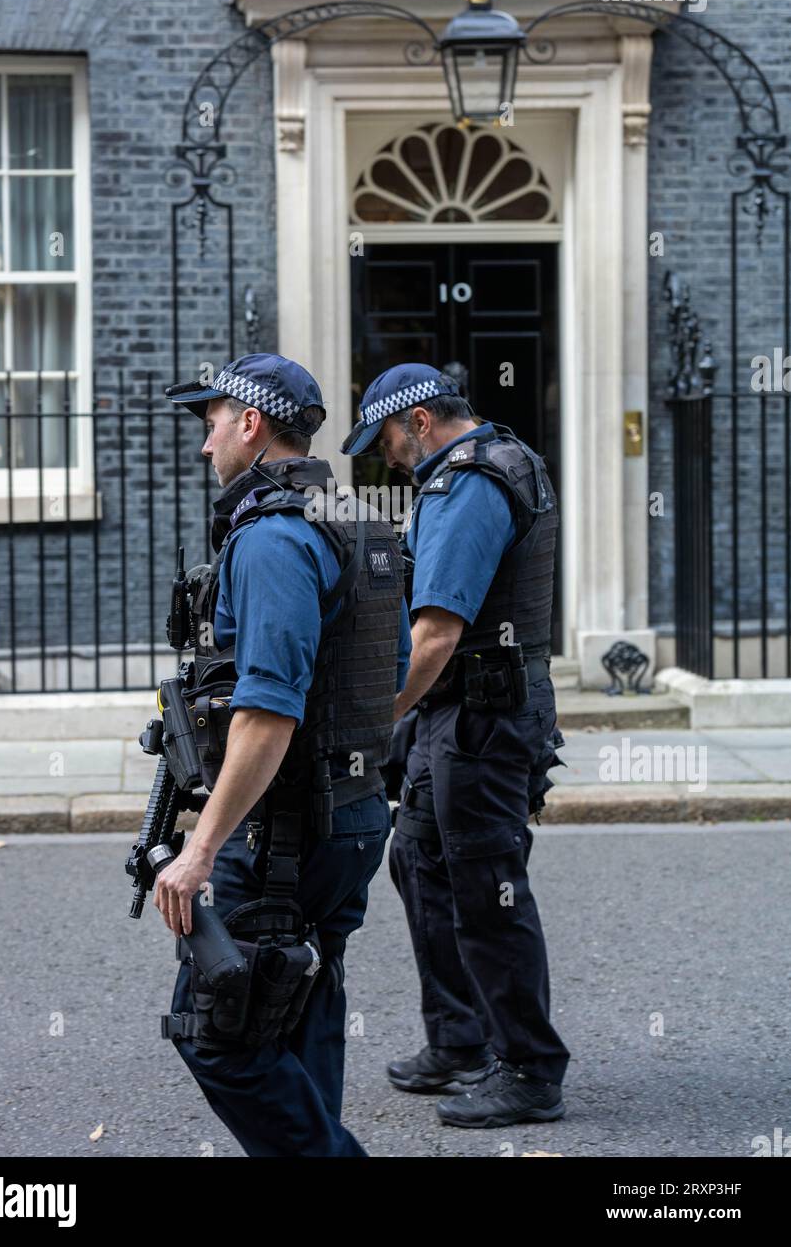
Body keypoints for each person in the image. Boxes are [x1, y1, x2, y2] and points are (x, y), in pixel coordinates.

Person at [156, 352, 410, 1156]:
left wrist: (200, 853)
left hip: (287, 834)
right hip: (355, 815)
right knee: (303, 1001)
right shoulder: (360, 519)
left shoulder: (272, 540)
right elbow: (394, 673)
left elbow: (267, 712)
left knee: (219, 1029)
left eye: (213, 423)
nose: (207, 444)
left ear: (251, 423)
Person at [341, 362, 569, 1129]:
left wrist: (374, 726)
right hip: (460, 714)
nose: (388, 456)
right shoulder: (493, 463)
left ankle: (531, 1070)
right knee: (418, 861)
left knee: (487, 888)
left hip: (482, 719)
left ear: (422, 420)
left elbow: (436, 632)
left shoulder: (469, 483)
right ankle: (461, 1042)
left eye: (388, 440)